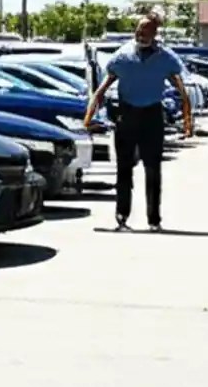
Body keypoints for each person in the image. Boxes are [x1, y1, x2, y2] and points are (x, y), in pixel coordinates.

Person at [83, 15, 193, 231]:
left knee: (153, 170)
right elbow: (102, 89)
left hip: (152, 116)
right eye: (139, 29)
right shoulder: (122, 57)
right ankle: (122, 217)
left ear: (155, 33)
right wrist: (89, 117)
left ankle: (154, 220)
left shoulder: (166, 58)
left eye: (146, 30)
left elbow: (182, 91)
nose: (141, 33)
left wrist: (188, 121)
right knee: (124, 169)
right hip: (127, 115)